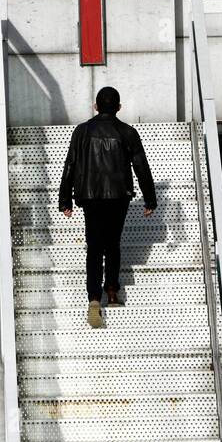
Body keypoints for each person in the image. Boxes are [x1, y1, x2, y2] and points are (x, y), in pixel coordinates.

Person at [58, 87, 157, 328]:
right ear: (119, 107)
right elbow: (141, 166)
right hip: (117, 197)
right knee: (112, 244)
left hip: (91, 197)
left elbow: (70, 164)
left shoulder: (81, 132)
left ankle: (94, 298)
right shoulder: (127, 132)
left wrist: (65, 200)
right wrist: (150, 199)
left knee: (93, 246)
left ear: (96, 106)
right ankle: (112, 292)